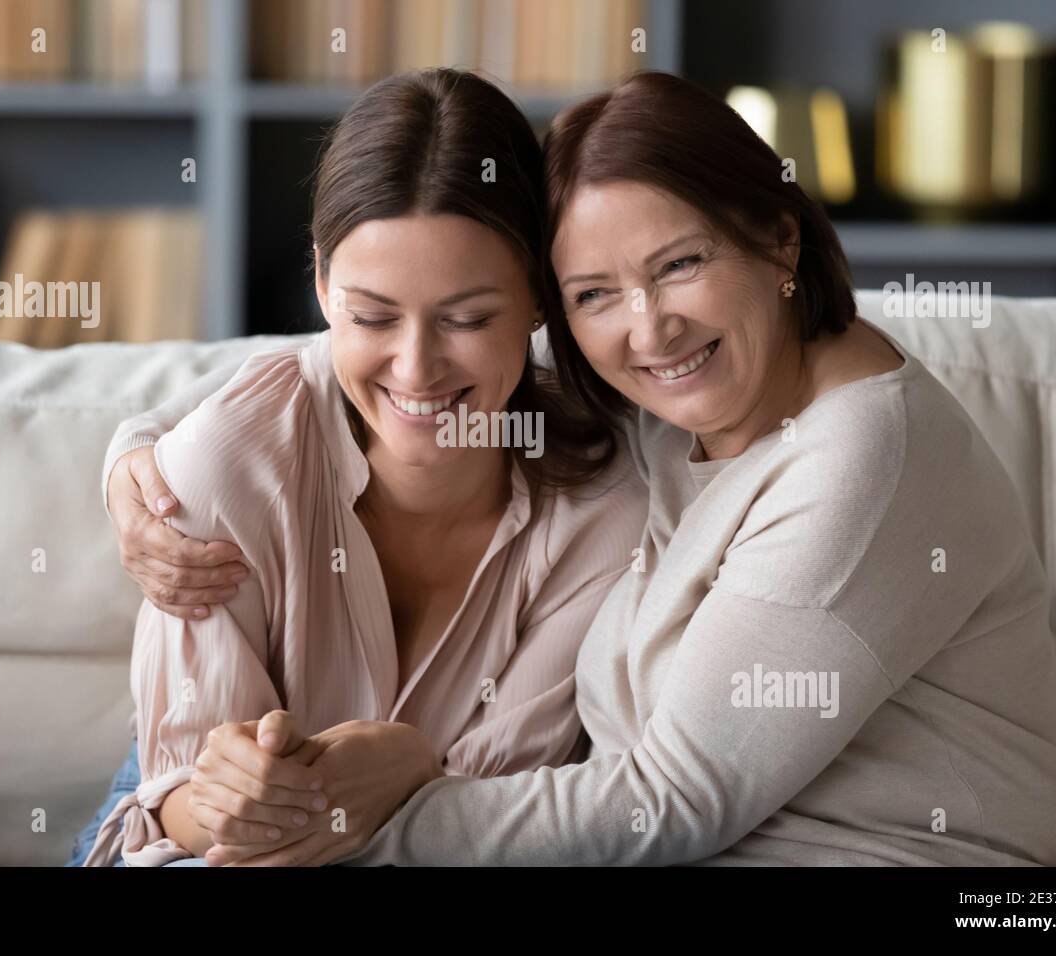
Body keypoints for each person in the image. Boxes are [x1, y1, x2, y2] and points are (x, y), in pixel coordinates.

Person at [69, 68, 646, 867]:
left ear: (539, 297)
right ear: (321, 284)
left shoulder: (603, 508)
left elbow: (499, 818)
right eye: (372, 316)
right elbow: (176, 824)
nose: (416, 369)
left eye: (469, 318)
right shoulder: (219, 469)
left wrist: (411, 767)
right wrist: (228, 797)